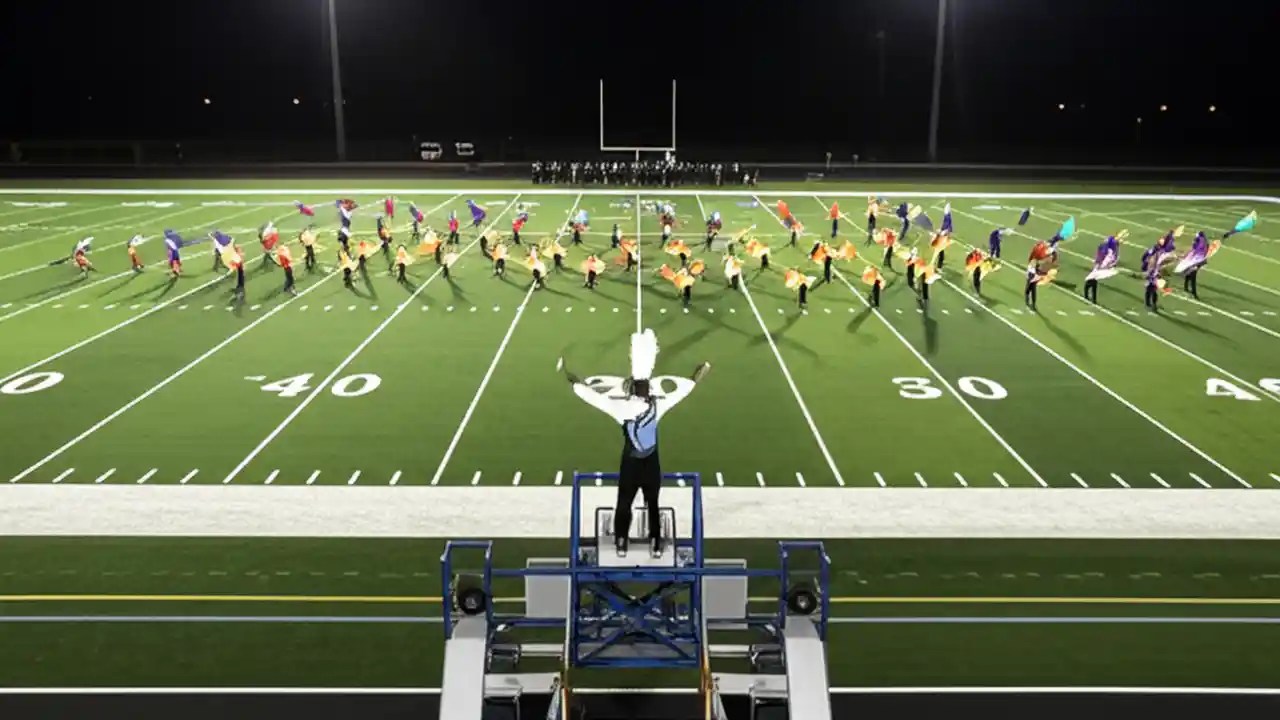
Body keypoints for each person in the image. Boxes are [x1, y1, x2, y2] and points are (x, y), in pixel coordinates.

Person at [562, 329, 711, 558]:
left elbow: (594, 398)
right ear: (643, 390)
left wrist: (575, 382)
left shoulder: (622, 408)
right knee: (651, 503)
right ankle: (655, 543)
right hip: (650, 462)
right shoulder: (655, 407)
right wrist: (694, 378)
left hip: (631, 462)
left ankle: (622, 542)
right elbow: (679, 394)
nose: (649, 389)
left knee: (625, 502)